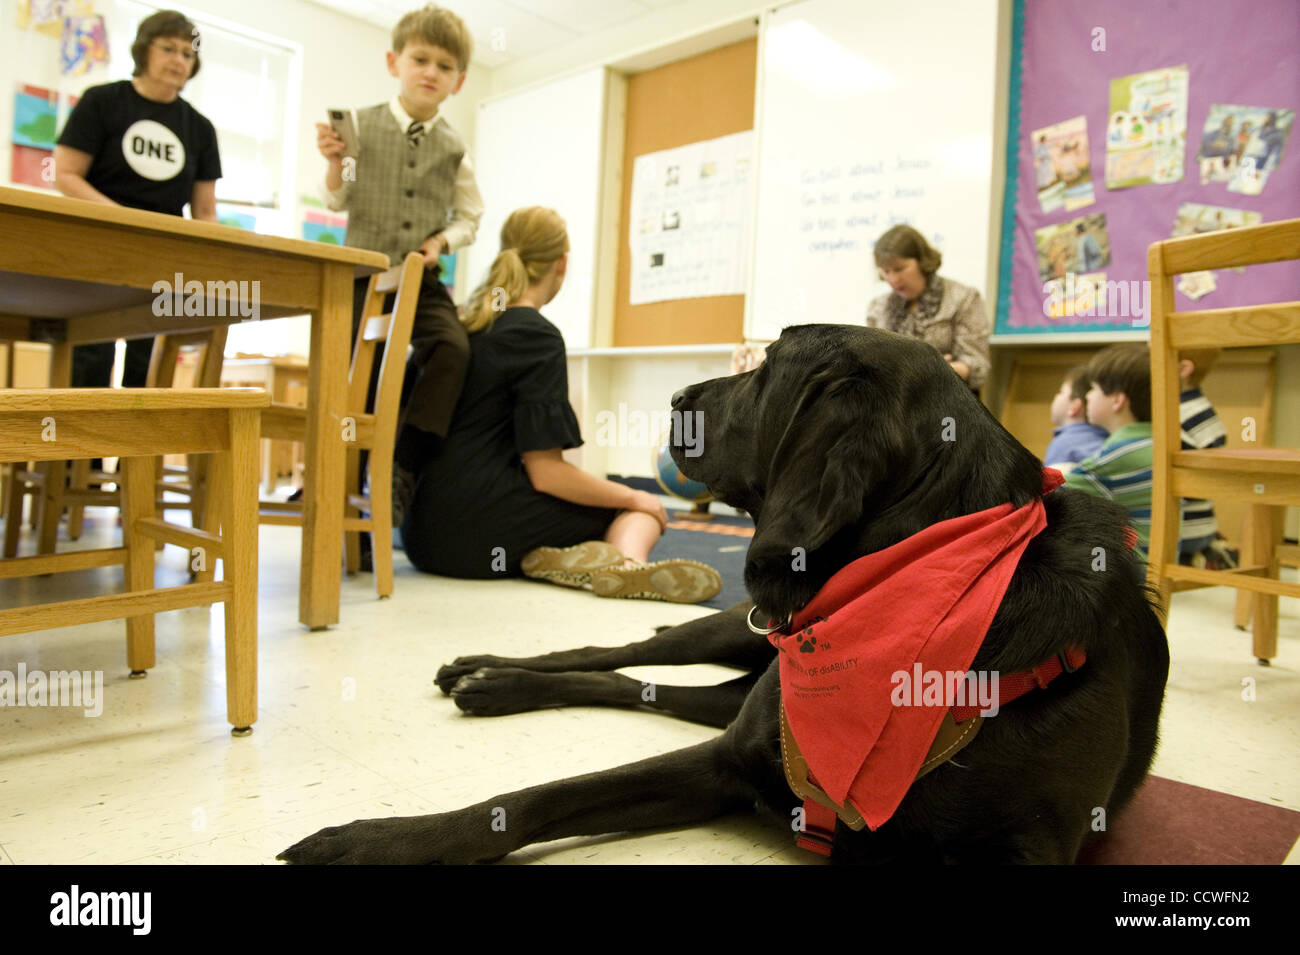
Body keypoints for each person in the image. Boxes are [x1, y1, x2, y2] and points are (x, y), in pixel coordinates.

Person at [401, 207, 723, 604]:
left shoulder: (463, 325)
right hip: (477, 539)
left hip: (421, 535)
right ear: (561, 264)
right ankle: (626, 567)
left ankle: (563, 558)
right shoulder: (535, 335)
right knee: (634, 508)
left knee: (602, 496)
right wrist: (635, 498)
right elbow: (547, 475)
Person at [316, 4, 483, 525]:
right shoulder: (358, 129)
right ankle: (344, 498)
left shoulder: (455, 147)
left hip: (420, 277)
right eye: (420, 59)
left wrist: (443, 243)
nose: (431, 72)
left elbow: (471, 216)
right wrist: (332, 162)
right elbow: (336, 200)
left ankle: (402, 467)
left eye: (445, 65)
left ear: (458, 81)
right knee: (356, 386)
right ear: (395, 62)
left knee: (452, 350)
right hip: (361, 277)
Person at [53, 9, 221, 390]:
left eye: (188, 54)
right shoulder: (102, 102)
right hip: (96, 251)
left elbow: (205, 211)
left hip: (161, 263)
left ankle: (136, 452)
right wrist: (120, 218)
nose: (178, 60)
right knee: (89, 356)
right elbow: (66, 175)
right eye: (169, 48)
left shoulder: (200, 128)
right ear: (144, 50)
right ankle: (77, 452)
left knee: (148, 364)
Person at [865, 225, 990, 390]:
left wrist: (942, 370)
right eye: (886, 271)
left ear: (922, 262)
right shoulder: (878, 308)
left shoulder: (962, 298)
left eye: (899, 268)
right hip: (893, 405)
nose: (893, 278)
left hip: (947, 402)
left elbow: (978, 366)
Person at [1062, 344, 1154, 561]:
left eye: (1093, 388)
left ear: (1117, 401)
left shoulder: (1119, 454)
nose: (1088, 396)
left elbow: (1057, 494)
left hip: (1134, 570)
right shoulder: (1153, 441)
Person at [1177, 350, 1238, 570]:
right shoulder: (1201, 410)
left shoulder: (1175, 416)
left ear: (1183, 369)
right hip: (1204, 527)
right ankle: (1208, 552)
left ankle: (1193, 558)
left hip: (1182, 531)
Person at [1044, 364, 1107, 469]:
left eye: (1061, 392)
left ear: (1074, 407)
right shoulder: (1107, 441)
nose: (1056, 396)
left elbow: (1053, 485)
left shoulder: (1064, 445)